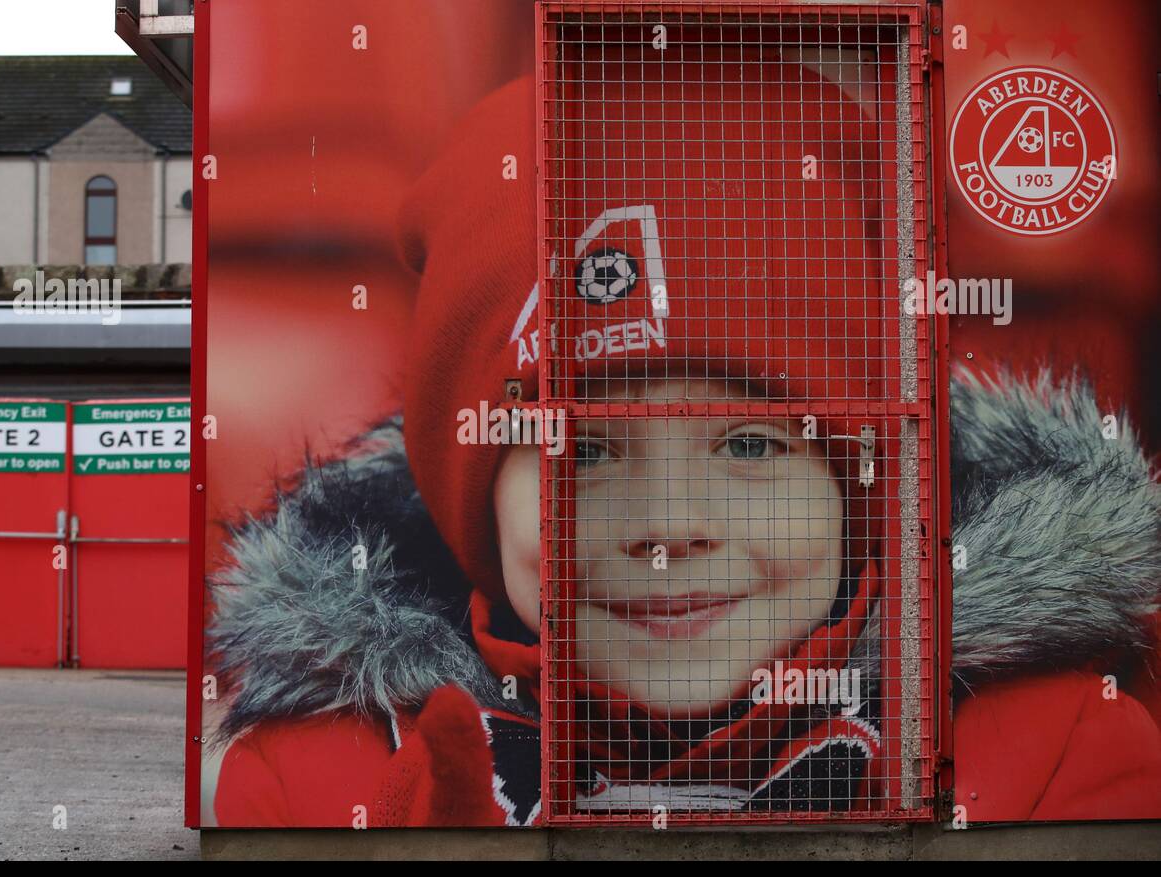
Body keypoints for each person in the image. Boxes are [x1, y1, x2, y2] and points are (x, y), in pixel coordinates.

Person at [207, 63, 1161, 826]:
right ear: (467, 494)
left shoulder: (1057, 748)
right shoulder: (317, 782)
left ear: (857, 479)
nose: (667, 527)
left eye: (750, 445)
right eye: (583, 450)